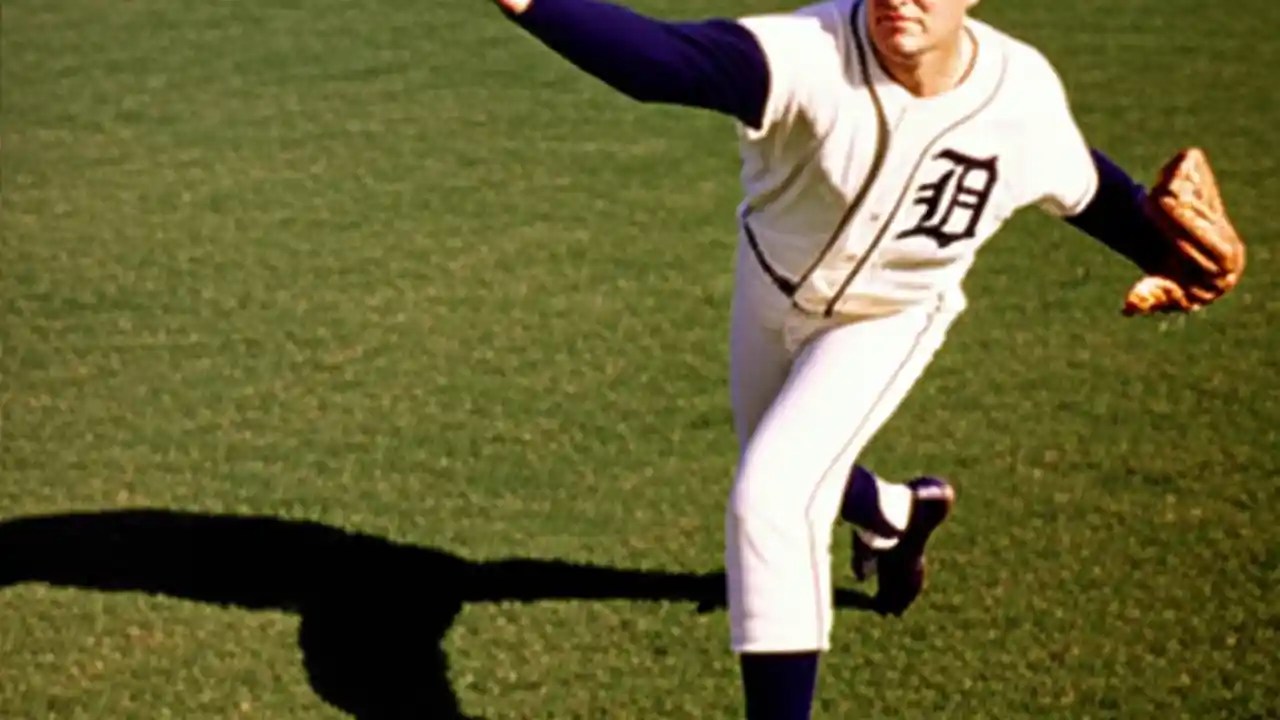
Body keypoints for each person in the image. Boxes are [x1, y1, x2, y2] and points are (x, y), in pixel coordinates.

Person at [482, 0, 1245, 716]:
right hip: (767, 290)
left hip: (888, 321)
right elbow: (662, 62)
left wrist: (1177, 261)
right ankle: (898, 514)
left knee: (773, 497)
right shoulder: (812, 53)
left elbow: (1098, 194)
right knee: (779, 456)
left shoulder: (1022, 100)